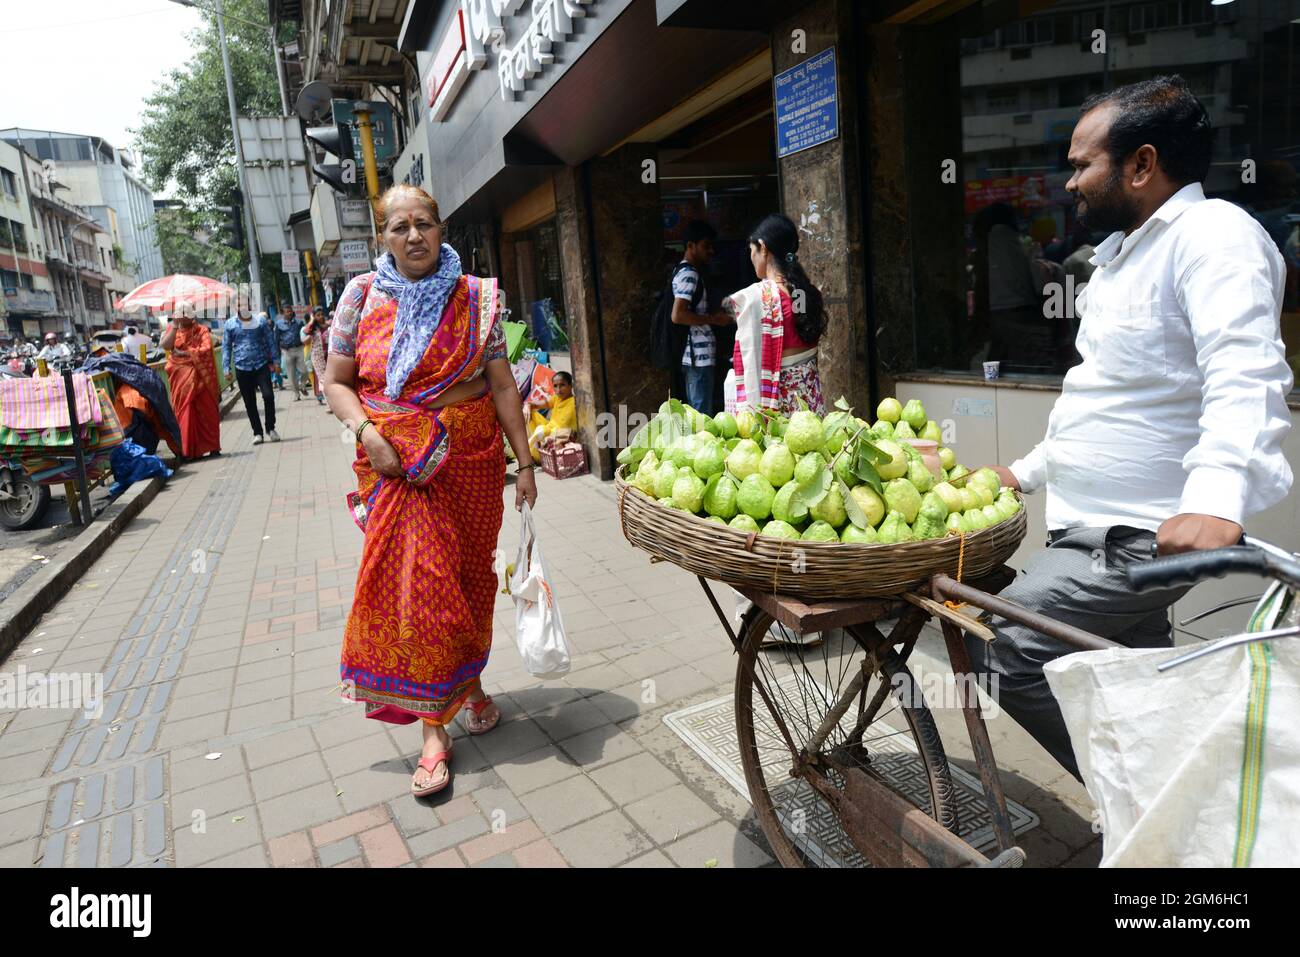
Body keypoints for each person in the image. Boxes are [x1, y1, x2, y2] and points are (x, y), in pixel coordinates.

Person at [974, 75, 1293, 782]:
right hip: (1088, 527)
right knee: (1138, 690)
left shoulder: (1215, 237)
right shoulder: (1124, 256)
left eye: (1082, 163)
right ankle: (1174, 833)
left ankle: (1149, 807)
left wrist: (1217, 494)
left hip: (1132, 537)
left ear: (1141, 164)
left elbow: (1245, 369)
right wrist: (1022, 474)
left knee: (1002, 646)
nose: (1069, 183)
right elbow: (1106, 403)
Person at [323, 183, 537, 798]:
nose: (413, 235)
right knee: (422, 586)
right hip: (397, 461)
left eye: (424, 223)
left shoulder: (477, 299)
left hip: (469, 459)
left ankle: (465, 683)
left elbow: (501, 388)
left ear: (442, 229)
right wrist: (367, 432)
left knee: (469, 580)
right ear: (382, 238)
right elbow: (337, 382)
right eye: (399, 227)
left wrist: (523, 463)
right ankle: (433, 732)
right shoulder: (359, 299)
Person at [723, 213, 827, 416]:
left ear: (763, 247)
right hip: (812, 404)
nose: (751, 257)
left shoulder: (756, 298)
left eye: (752, 250)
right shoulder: (806, 292)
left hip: (779, 408)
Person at [671, 220, 732, 415]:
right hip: (698, 358)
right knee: (701, 414)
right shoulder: (689, 273)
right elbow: (678, 315)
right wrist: (714, 319)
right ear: (690, 246)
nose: (711, 251)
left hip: (698, 357)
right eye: (706, 246)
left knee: (699, 411)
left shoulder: (686, 271)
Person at [161, 306, 222, 460]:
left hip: (201, 377)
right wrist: (174, 326)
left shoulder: (201, 330)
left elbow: (207, 348)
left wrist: (188, 353)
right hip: (179, 375)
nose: (184, 318)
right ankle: (189, 452)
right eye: (181, 315)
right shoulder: (172, 329)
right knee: (185, 411)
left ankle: (213, 446)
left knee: (208, 410)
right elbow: (166, 346)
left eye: (186, 315)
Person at [221, 297, 280, 444]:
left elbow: (270, 341)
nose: (243, 307)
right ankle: (258, 433)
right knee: (249, 401)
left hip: (261, 364)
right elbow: (226, 347)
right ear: (235, 307)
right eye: (239, 304)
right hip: (242, 367)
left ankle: (270, 428)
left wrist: (276, 361)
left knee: (268, 395)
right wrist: (226, 368)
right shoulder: (230, 324)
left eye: (245, 304)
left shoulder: (260, 321)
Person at [526, 369, 577, 459]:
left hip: (562, 436)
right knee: (528, 413)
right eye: (555, 386)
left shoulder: (576, 402)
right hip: (550, 431)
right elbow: (534, 405)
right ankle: (529, 449)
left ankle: (527, 453)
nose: (558, 390)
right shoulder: (556, 399)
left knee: (540, 431)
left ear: (570, 386)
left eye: (562, 385)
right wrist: (527, 406)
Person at [274, 308, 308, 400]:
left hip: (299, 349)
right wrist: (277, 355)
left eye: (290, 311)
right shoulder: (278, 324)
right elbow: (276, 339)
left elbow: (305, 333)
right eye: (287, 312)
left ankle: (302, 385)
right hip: (287, 351)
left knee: (305, 370)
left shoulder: (299, 322)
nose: (289, 313)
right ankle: (296, 394)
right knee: (291, 374)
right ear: (283, 313)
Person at [301, 305, 330, 408]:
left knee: (330, 378)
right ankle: (328, 403)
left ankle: (332, 400)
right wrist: (312, 320)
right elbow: (306, 332)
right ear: (314, 316)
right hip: (317, 357)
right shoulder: (313, 329)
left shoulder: (329, 326)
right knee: (323, 379)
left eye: (322, 314)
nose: (321, 317)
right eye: (318, 315)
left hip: (328, 356)